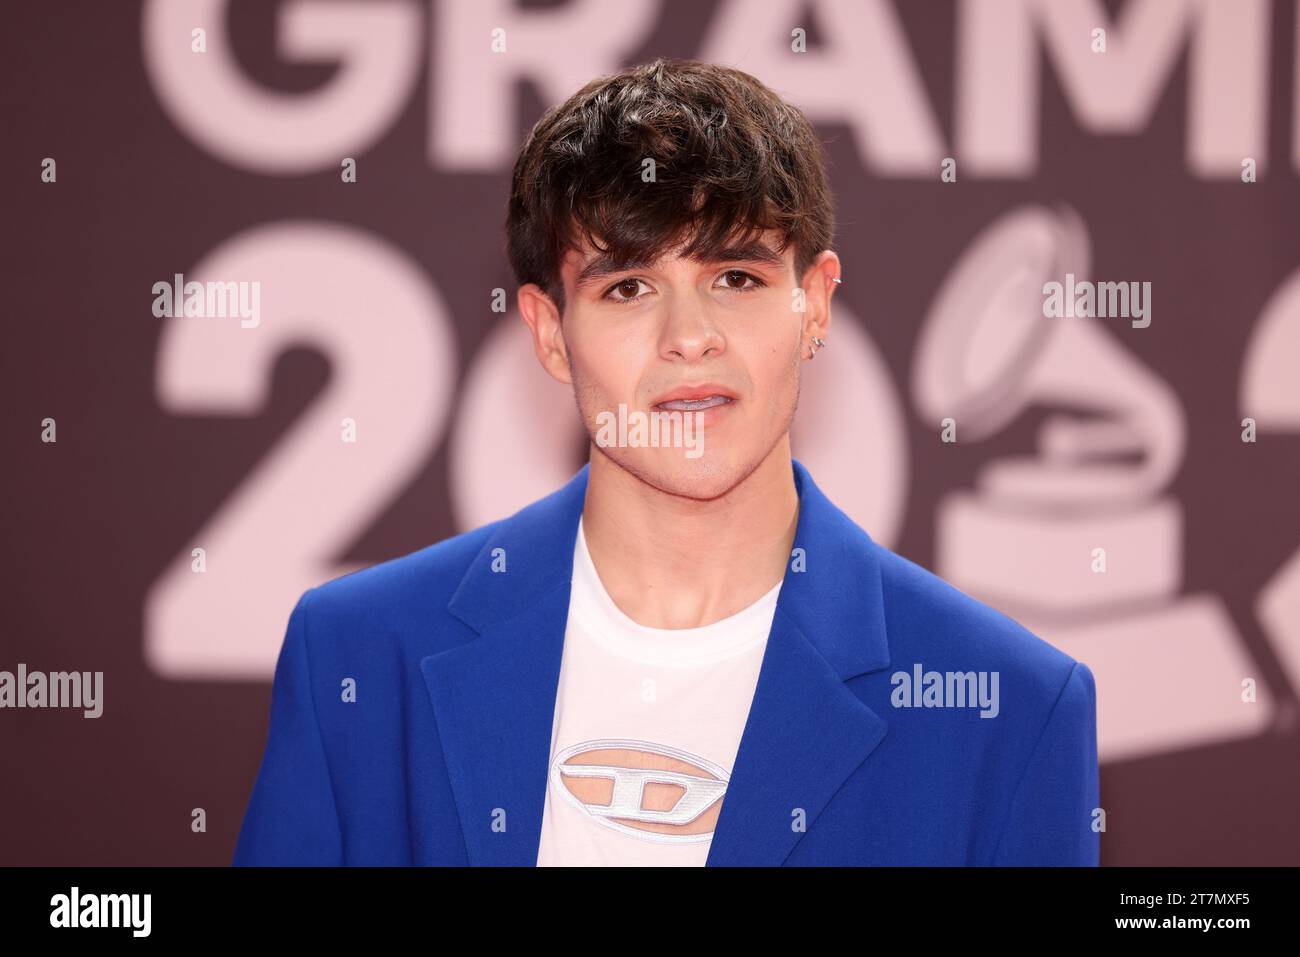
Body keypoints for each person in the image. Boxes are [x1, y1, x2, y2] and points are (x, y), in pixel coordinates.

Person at [232, 57, 1099, 867]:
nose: (690, 338)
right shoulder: (356, 654)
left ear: (815, 305)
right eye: (628, 287)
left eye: (736, 279)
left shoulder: (1010, 709)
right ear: (549, 333)